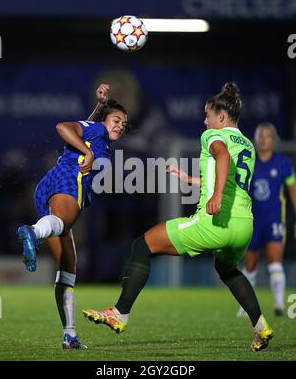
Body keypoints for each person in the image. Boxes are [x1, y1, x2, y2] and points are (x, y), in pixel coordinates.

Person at [83, 82, 274, 352]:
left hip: (215, 222)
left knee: (142, 245)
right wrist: (192, 179)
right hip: (244, 226)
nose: (204, 121)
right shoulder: (248, 145)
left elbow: (222, 160)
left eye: (207, 115)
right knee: (227, 270)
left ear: (221, 117)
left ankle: (120, 312)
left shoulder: (212, 136)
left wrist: (215, 197)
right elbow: (231, 179)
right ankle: (260, 325)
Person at [17, 83, 128, 349]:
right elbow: (62, 127)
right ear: (105, 121)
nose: (120, 126)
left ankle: (70, 335)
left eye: (124, 124)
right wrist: (89, 153)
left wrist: (100, 107)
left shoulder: (96, 132)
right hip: (69, 179)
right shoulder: (98, 132)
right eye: (116, 120)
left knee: (67, 269)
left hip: (50, 184)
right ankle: (33, 232)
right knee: (64, 224)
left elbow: (82, 129)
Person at [237, 123, 296, 318]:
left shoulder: (283, 163)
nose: (263, 139)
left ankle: (279, 303)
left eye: (267, 136)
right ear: (255, 139)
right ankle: (246, 307)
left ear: (274, 140)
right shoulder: (248, 163)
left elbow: (293, 193)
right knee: (250, 265)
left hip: (274, 220)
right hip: (252, 221)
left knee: (274, 260)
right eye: (260, 136)